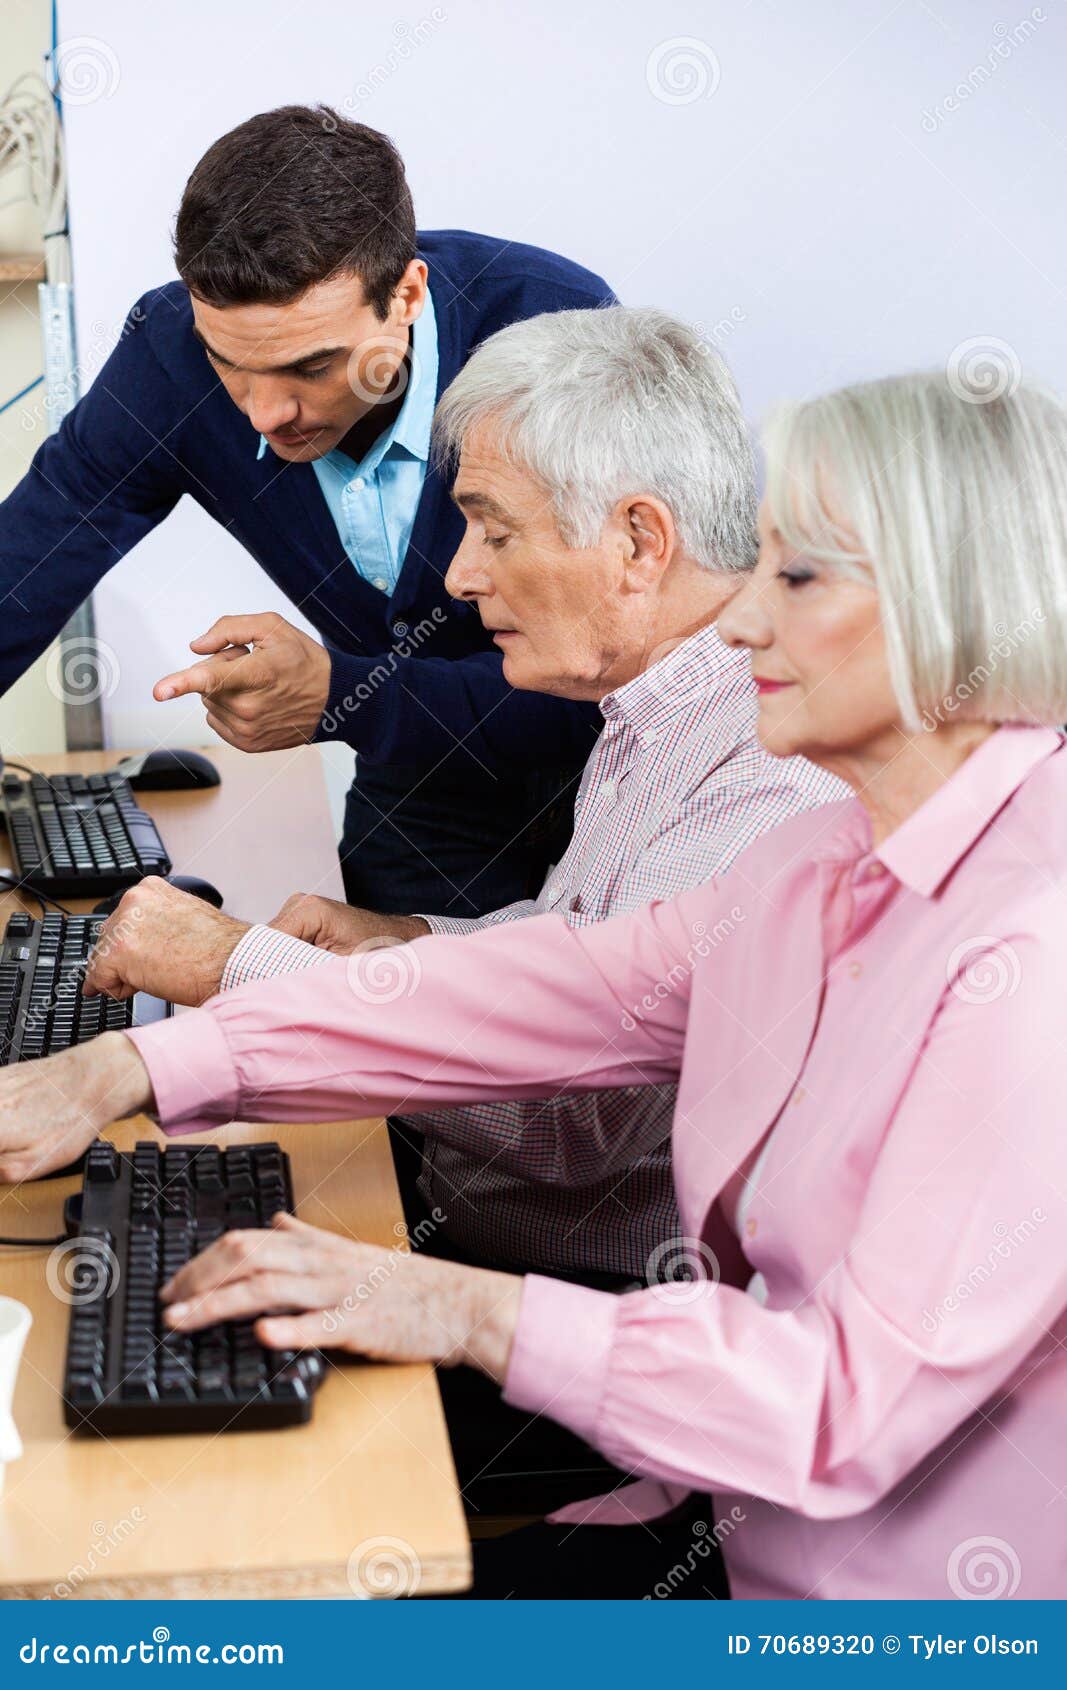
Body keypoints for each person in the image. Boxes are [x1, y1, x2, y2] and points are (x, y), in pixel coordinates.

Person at [4, 369, 1066, 1601]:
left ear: (948, 605)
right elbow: (552, 989)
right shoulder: (826, 855)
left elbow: (833, 1409)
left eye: (794, 576)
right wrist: (134, 1063)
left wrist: (449, 1306)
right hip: (717, 1509)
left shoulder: (1028, 957)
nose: (736, 626)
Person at [75, 307, 845, 1513]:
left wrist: (240, 964)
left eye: (491, 529)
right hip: (492, 1246)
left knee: (172, 1486)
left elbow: (572, 1119)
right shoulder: (664, 704)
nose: (458, 573)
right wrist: (408, 941)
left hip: (581, 1332)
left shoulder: (769, 767)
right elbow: (571, 950)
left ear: (637, 539)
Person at [0, 106, 615, 916]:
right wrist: (354, 697)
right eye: (231, 364)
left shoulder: (551, 328)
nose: (264, 412)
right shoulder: (169, 354)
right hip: (421, 775)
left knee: (628, 1018)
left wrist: (340, 694)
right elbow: (34, 552)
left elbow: (605, 677)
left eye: (312, 367)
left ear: (406, 294)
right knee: (394, 1025)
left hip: (611, 765)